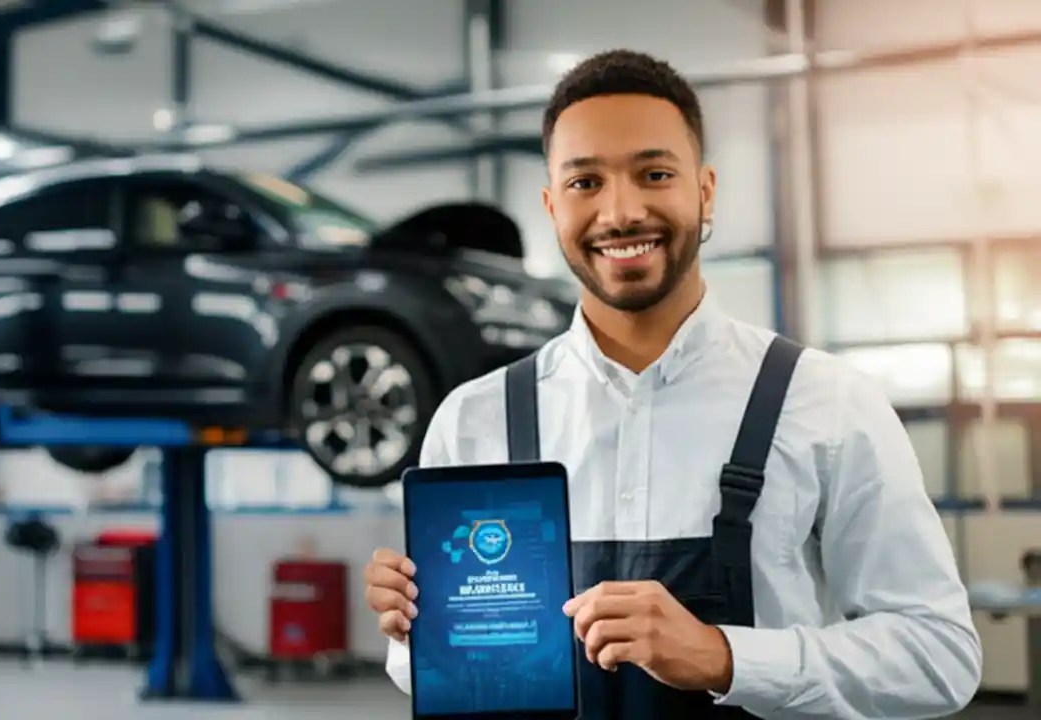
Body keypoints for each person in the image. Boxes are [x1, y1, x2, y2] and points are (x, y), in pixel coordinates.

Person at [363, 49, 982, 719]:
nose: (621, 212)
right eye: (585, 183)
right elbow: (442, 673)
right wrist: (414, 633)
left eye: (654, 174)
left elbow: (939, 656)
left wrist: (724, 656)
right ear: (551, 204)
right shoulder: (474, 420)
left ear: (704, 190)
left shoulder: (827, 404)